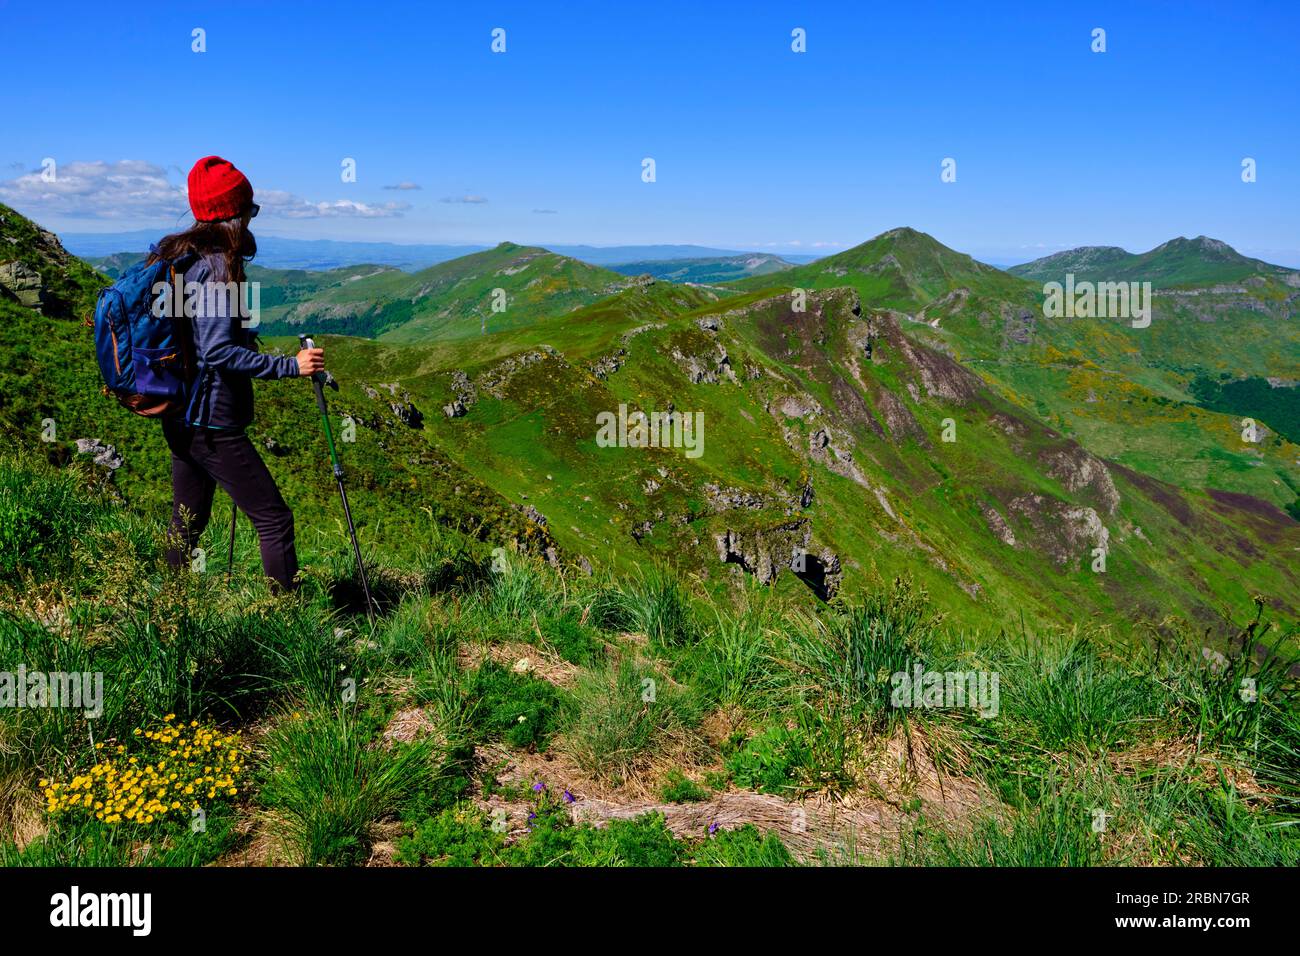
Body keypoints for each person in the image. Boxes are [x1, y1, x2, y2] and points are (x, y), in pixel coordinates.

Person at [151, 155, 324, 591]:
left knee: (187, 519)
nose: (252, 220)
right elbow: (218, 352)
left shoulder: (179, 256)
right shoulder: (214, 269)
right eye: (250, 210)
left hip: (180, 411)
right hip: (212, 421)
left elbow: (198, 336)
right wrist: (291, 366)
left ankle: (162, 604)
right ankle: (287, 624)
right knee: (274, 519)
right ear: (234, 214)